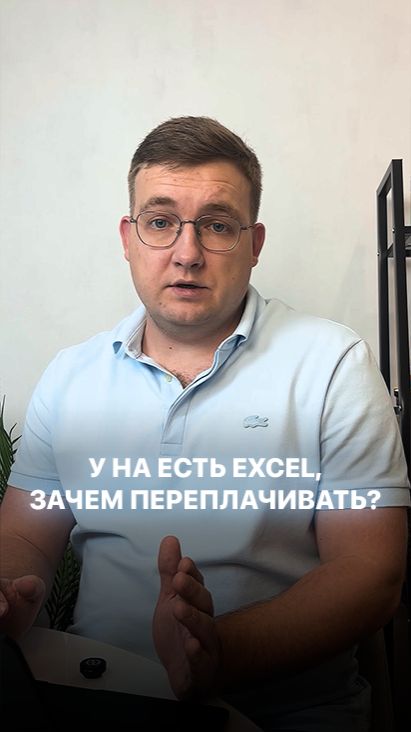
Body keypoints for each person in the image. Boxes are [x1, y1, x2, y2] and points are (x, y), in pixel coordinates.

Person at [0, 116, 409, 731]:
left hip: (284, 714)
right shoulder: (70, 375)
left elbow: (369, 573)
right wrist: (8, 587)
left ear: (254, 243)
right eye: (161, 222)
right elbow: (27, 535)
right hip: (97, 697)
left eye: (217, 225)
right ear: (129, 237)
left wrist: (220, 650)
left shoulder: (333, 364)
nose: (187, 253)